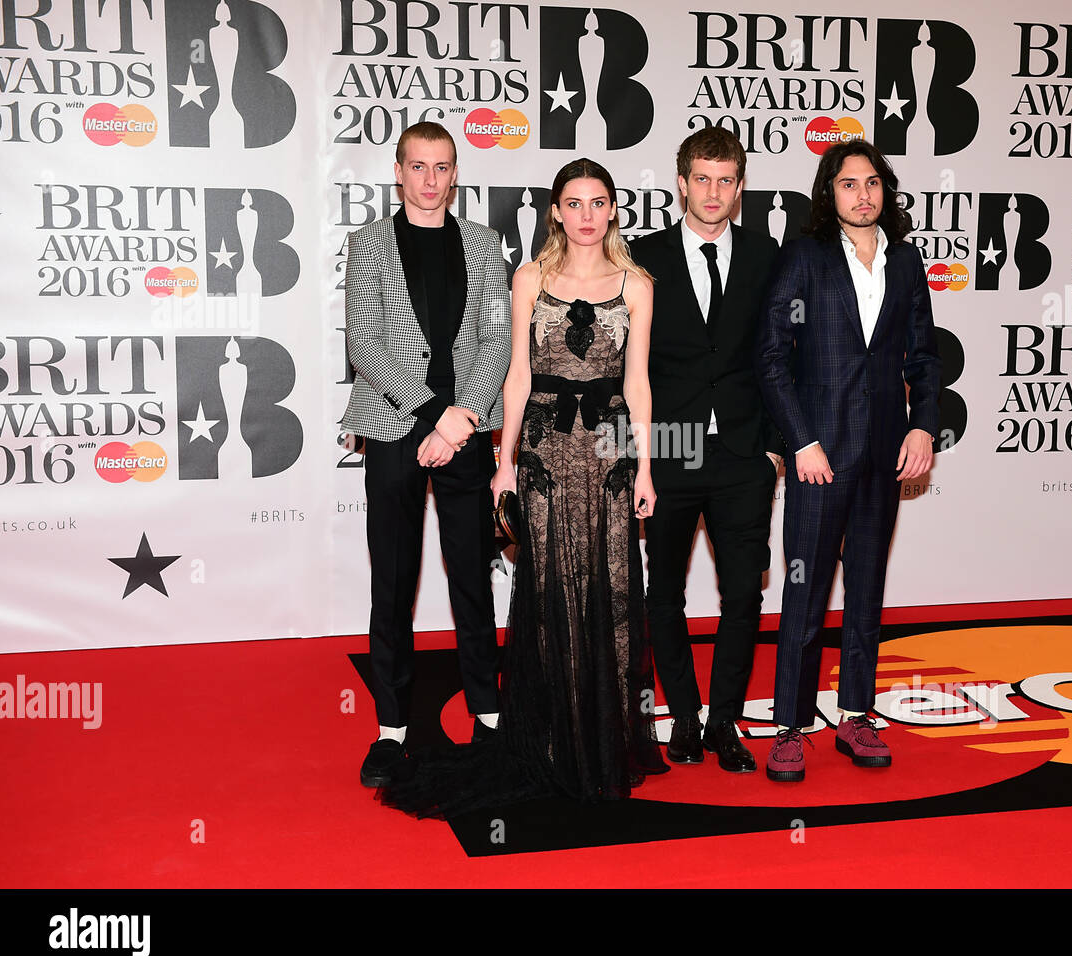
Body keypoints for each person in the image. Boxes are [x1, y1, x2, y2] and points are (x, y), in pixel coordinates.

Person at [378, 158, 667, 817]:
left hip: (609, 447)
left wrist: (647, 466)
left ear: (614, 210)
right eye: (574, 202)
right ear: (557, 212)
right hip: (540, 444)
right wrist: (503, 462)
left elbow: (638, 384)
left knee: (611, 591)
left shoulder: (638, 284)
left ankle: (605, 743)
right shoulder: (530, 278)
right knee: (547, 593)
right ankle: (552, 741)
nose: (587, 214)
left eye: (599, 202)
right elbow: (515, 377)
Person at [755, 139, 942, 782]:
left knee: (866, 589)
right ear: (828, 194)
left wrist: (924, 428)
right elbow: (772, 357)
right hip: (820, 455)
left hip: (886, 452)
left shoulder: (908, 262)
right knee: (805, 591)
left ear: (884, 191)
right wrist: (801, 441)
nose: (862, 195)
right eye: (848, 185)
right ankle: (789, 724)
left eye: (872, 183)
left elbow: (925, 359)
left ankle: (856, 713)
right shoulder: (804, 258)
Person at [342, 121, 511, 789]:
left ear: (454, 172)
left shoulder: (485, 245)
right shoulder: (368, 244)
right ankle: (391, 728)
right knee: (393, 580)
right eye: (419, 166)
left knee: (473, 575)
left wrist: (459, 418)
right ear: (399, 170)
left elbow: (498, 342)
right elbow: (365, 344)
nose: (431, 180)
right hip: (392, 426)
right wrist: (432, 414)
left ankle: (490, 713)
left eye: (442, 167)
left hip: (466, 425)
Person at [630, 127, 782, 774]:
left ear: (740, 188)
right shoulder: (643, 255)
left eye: (726, 180)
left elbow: (783, 356)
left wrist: (775, 447)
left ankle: (724, 722)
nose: (713, 191)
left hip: (745, 453)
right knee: (662, 592)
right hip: (668, 447)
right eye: (702, 178)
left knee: (743, 593)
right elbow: (625, 366)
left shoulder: (766, 254)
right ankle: (684, 720)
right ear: (682, 183)